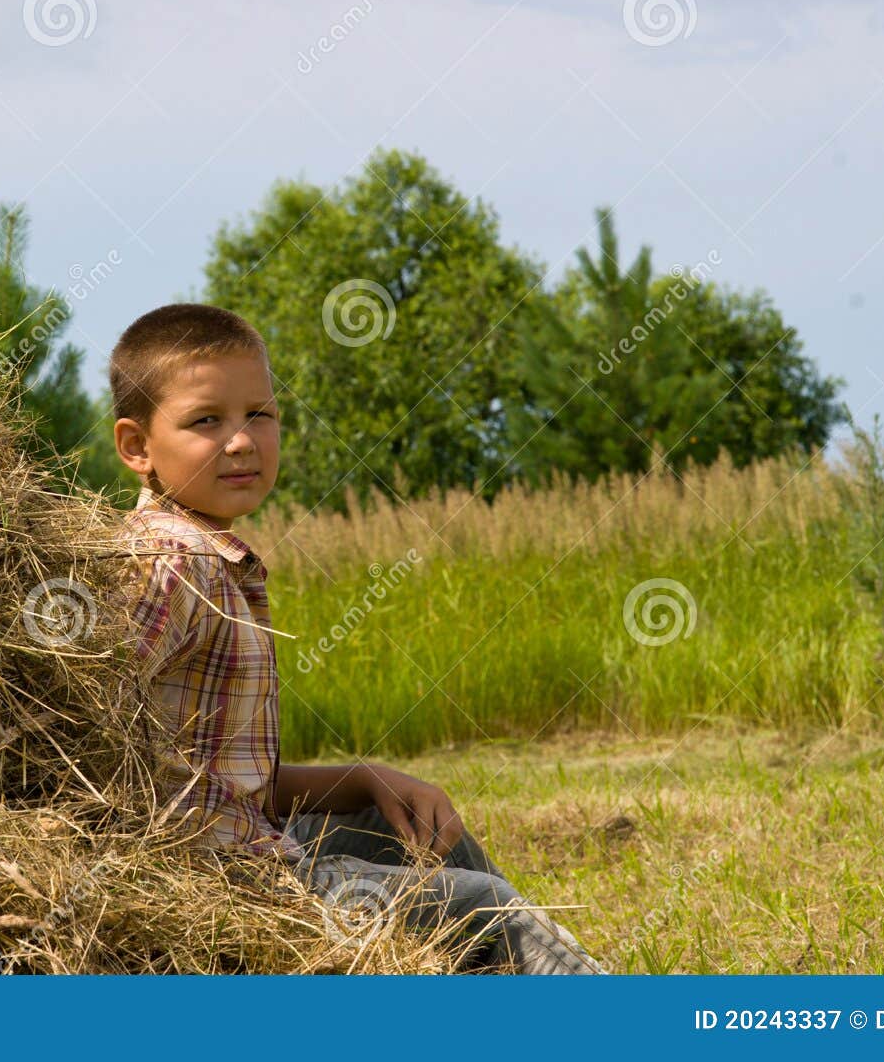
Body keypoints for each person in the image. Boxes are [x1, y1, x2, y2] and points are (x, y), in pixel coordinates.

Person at [109, 302, 606, 975]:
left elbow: (223, 781)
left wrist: (367, 779)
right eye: (206, 420)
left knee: (403, 827)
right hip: (219, 887)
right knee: (482, 908)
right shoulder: (172, 560)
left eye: (260, 412)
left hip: (233, 842)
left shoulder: (205, 553)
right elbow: (86, 720)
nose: (242, 440)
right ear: (137, 446)